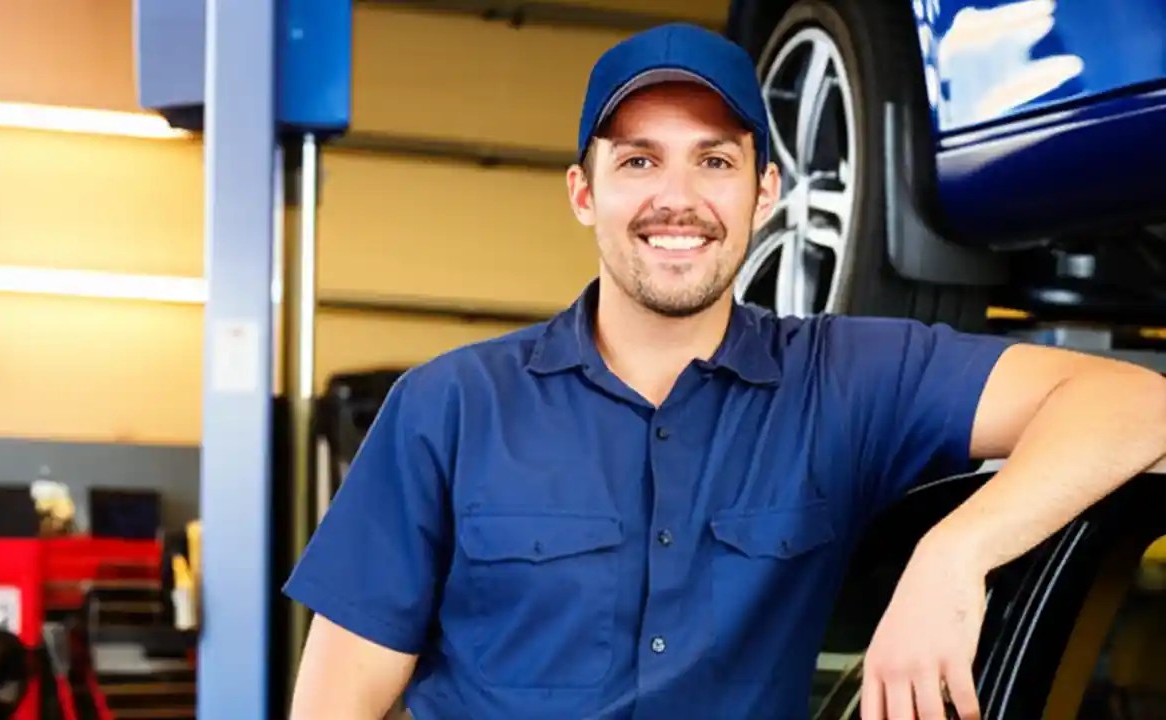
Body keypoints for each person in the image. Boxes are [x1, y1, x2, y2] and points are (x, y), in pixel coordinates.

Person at [282, 22, 1166, 720]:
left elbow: (1139, 404)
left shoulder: (847, 381)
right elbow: (338, 697)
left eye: (714, 160)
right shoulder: (447, 407)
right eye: (638, 160)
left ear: (765, 192)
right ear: (583, 193)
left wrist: (955, 553)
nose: (678, 199)